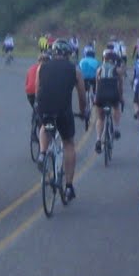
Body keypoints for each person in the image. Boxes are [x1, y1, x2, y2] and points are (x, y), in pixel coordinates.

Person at [34, 38, 88, 200]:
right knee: (68, 143)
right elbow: (82, 95)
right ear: (68, 54)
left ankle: (43, 153)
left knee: (45, 126)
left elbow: (37, 91)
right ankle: (69, 186)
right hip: (63, 110)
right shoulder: (75, 70)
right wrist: (83, 111)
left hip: (44, 107)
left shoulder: (41, 67)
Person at [92, 49, 125, 153]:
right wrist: (121, 97)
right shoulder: (117, 70)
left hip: (101, 95)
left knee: (100, 118)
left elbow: (97, 86)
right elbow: (120, 86)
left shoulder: (99, 69)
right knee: (116, 107)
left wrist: (96, 98)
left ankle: (98, 139)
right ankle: (116, 128)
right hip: (112, 94)